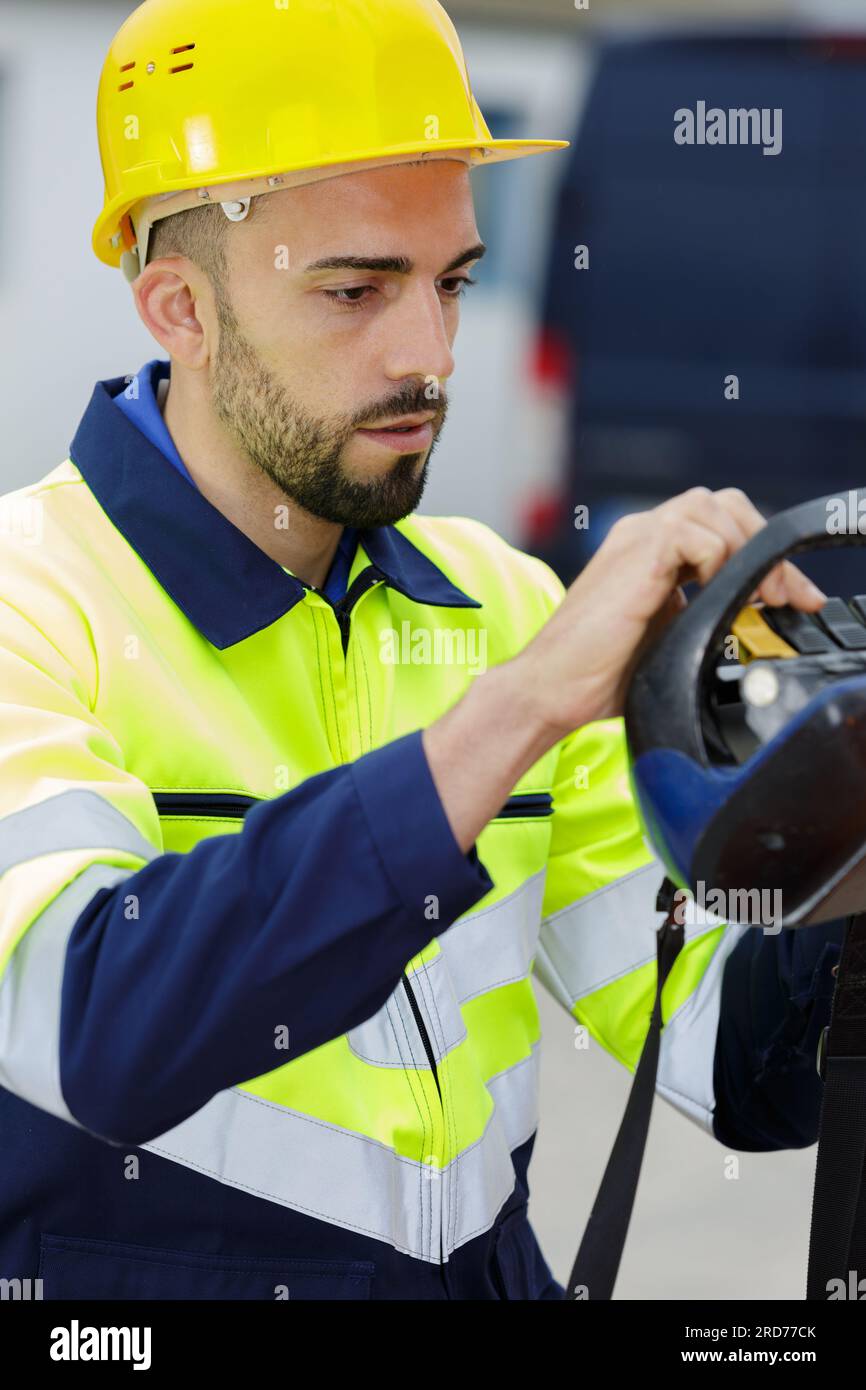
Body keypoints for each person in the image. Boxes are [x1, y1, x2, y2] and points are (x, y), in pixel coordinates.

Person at [0, 0, 842, 1301]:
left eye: (450, 280)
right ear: (179, 307)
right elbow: (95, 1021)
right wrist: (508, 717)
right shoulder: (30, 602)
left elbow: (735, 1063)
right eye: (355, 289)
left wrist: (833, 834)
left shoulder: (498, 605)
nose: (430, 355)